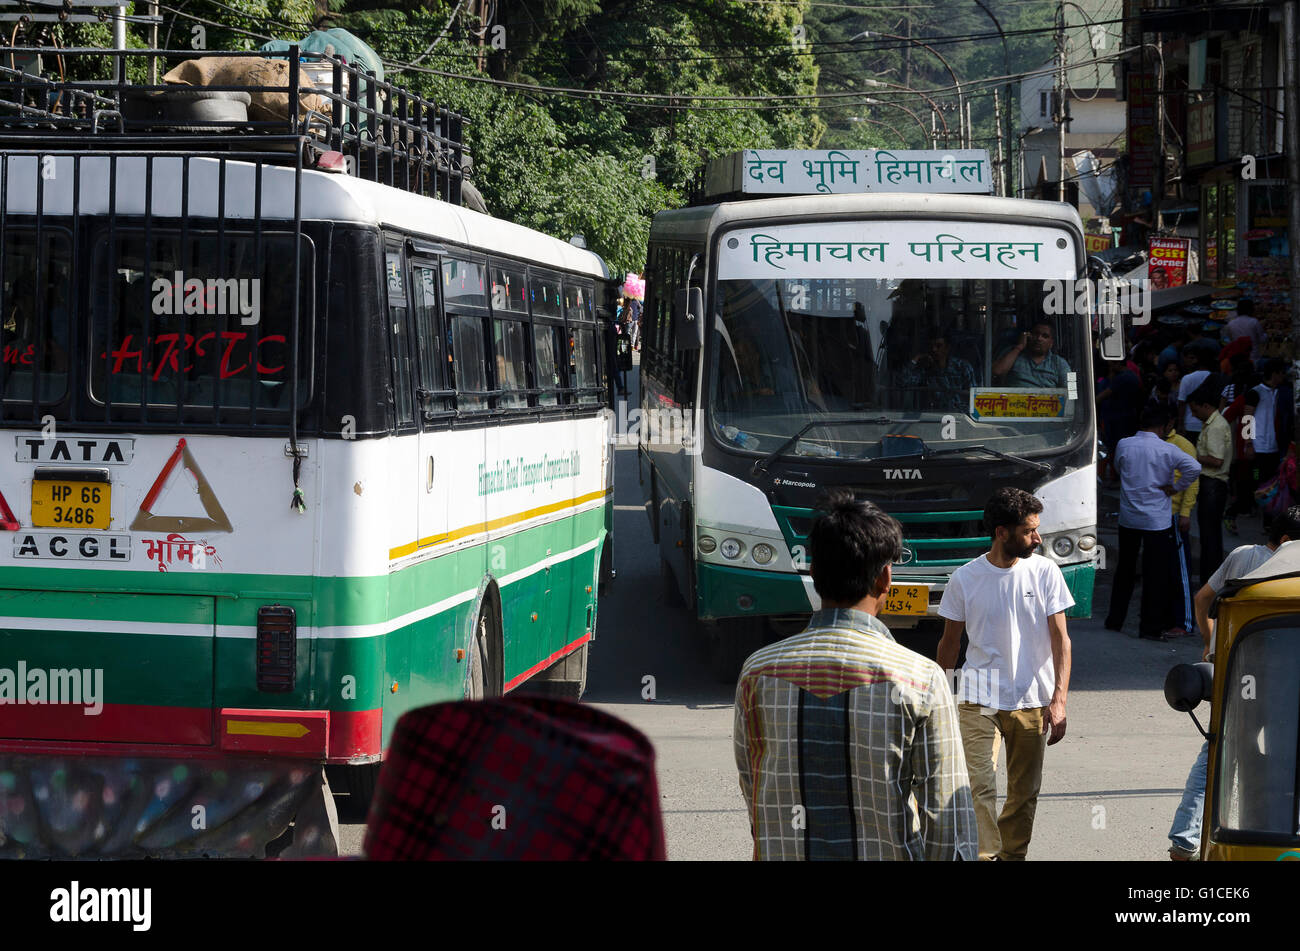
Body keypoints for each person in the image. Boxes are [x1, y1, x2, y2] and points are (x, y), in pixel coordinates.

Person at [734, 490, 976, 861]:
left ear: (813, 573)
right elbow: (947, 816)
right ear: (885, 579)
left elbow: (755, 791)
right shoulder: (919, 679)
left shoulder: (758, 672)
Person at [936, 488, 1072, 861]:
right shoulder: (965, 578)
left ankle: (1012, 856)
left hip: (1032, 700)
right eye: (1030, 531)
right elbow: (950, 644)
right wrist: (943, 695)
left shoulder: (1045, 572)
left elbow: (1061, 640)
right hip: (979, 697)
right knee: (977, 783)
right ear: (1002, 532)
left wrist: (1058, 700)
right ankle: (986, 854)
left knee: (1023, 791)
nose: (1038, 538)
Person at [1168, 505, 1300, 860]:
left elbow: (1202, 599)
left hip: (1237, 679)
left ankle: (1184, 837)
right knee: (1284, 755)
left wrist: (1211, 645)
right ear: (1287, 542)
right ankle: (1276, 833)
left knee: (1216, 752)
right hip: (1284, 685)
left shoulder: (1242, 555)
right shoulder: (1289, 571)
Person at [1105, 405, 1202, 639]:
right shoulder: (1167, 449)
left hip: (1129, 516)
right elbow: (1194, 468)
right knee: (1154, 574)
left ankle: (1114, 620)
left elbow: (1118, 467)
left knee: (1125, 569)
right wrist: (1176, 487)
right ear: (1163, 426)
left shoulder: (1124, 444)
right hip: (1157, 521)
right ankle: (1149, 627)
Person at [1188, 385, 1232, 584]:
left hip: (1213, 484)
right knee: (1210, 535)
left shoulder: (1215, 426)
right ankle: (1211, 579)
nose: (1194, 415)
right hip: (1212, 485)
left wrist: (1192, 457)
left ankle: (1211, 580)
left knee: (1210, 536)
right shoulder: (1212, 423)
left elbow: (1216, 460)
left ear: (1205, 406)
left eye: (1195, 410)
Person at [1162, 415, 1199, 636]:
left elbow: (1193, 483)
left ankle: (1185, 623)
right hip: (1157, 518)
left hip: (1176, 516)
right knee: (1164, 571)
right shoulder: (1156, 443)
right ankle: (1167, 618)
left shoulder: (1183, 445)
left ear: (1169, 424)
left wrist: (1185, 514)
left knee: (1181, 572)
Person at [1248, 359, 1294, 524]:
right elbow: (1248, 418)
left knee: (1272, 482)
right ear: (1274, 374)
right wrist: (1248, 443)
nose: (1283, 377)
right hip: (1259, 446)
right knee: (1257, 477)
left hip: (1275, 447)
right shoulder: (1256, 392)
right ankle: (1258, 508)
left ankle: (1269, 516)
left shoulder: (1280, 393)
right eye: (1281, 373)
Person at [901, 332, 977, 411]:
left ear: (947, 348)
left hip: (960, 417)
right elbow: (904, 383)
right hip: (934, 418)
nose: (934, 349)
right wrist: (915, 360)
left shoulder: (962, 367)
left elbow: (974, 395)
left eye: (938, 346)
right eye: (931, 346)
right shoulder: (926, 369)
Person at [992, 320, 1070, 388]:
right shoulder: (1014, 353)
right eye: (1036, 334)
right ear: (1028, 336)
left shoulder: (1059, 363)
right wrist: (1019, 347)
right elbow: (997, 371)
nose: (1039, 338)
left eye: (1045, 336)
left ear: (1051, 343)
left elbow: (1071, 391)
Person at [1175, 349, 1211, 437]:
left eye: (1192, 358)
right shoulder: (1213, 376)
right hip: (1208, 423)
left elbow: (1181, 403)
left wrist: (1180, 424)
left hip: (1190, 424)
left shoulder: (1187, 379)